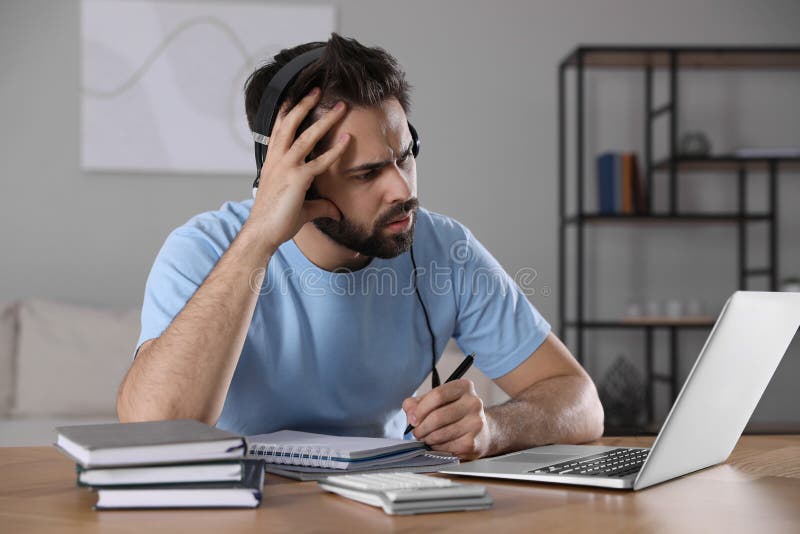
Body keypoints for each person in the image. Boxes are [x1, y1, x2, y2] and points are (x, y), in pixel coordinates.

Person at [117, 34, 603, 460]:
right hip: (247, 507)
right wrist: (259, 240)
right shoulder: (203, 250)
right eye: (367, 173)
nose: (401, 189)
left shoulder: (445, 250)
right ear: (297, 181)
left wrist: (495, 428)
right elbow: (153, 431)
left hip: (386, 501)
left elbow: (581, 403)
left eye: (405, 155)